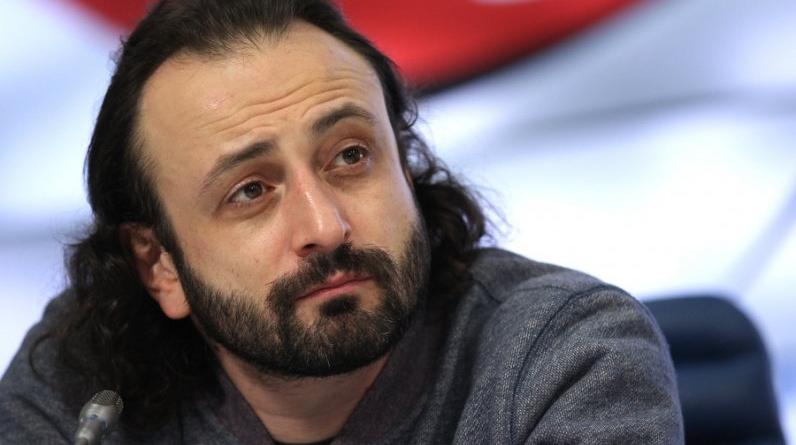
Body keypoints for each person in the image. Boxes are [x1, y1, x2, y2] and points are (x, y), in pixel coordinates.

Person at [0, 0, 683, 443]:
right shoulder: (82, 381)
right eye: (250, 191)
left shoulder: (563, 358)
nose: (325, 227)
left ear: (406, 168)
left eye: (351, 155)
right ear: (160, 266)